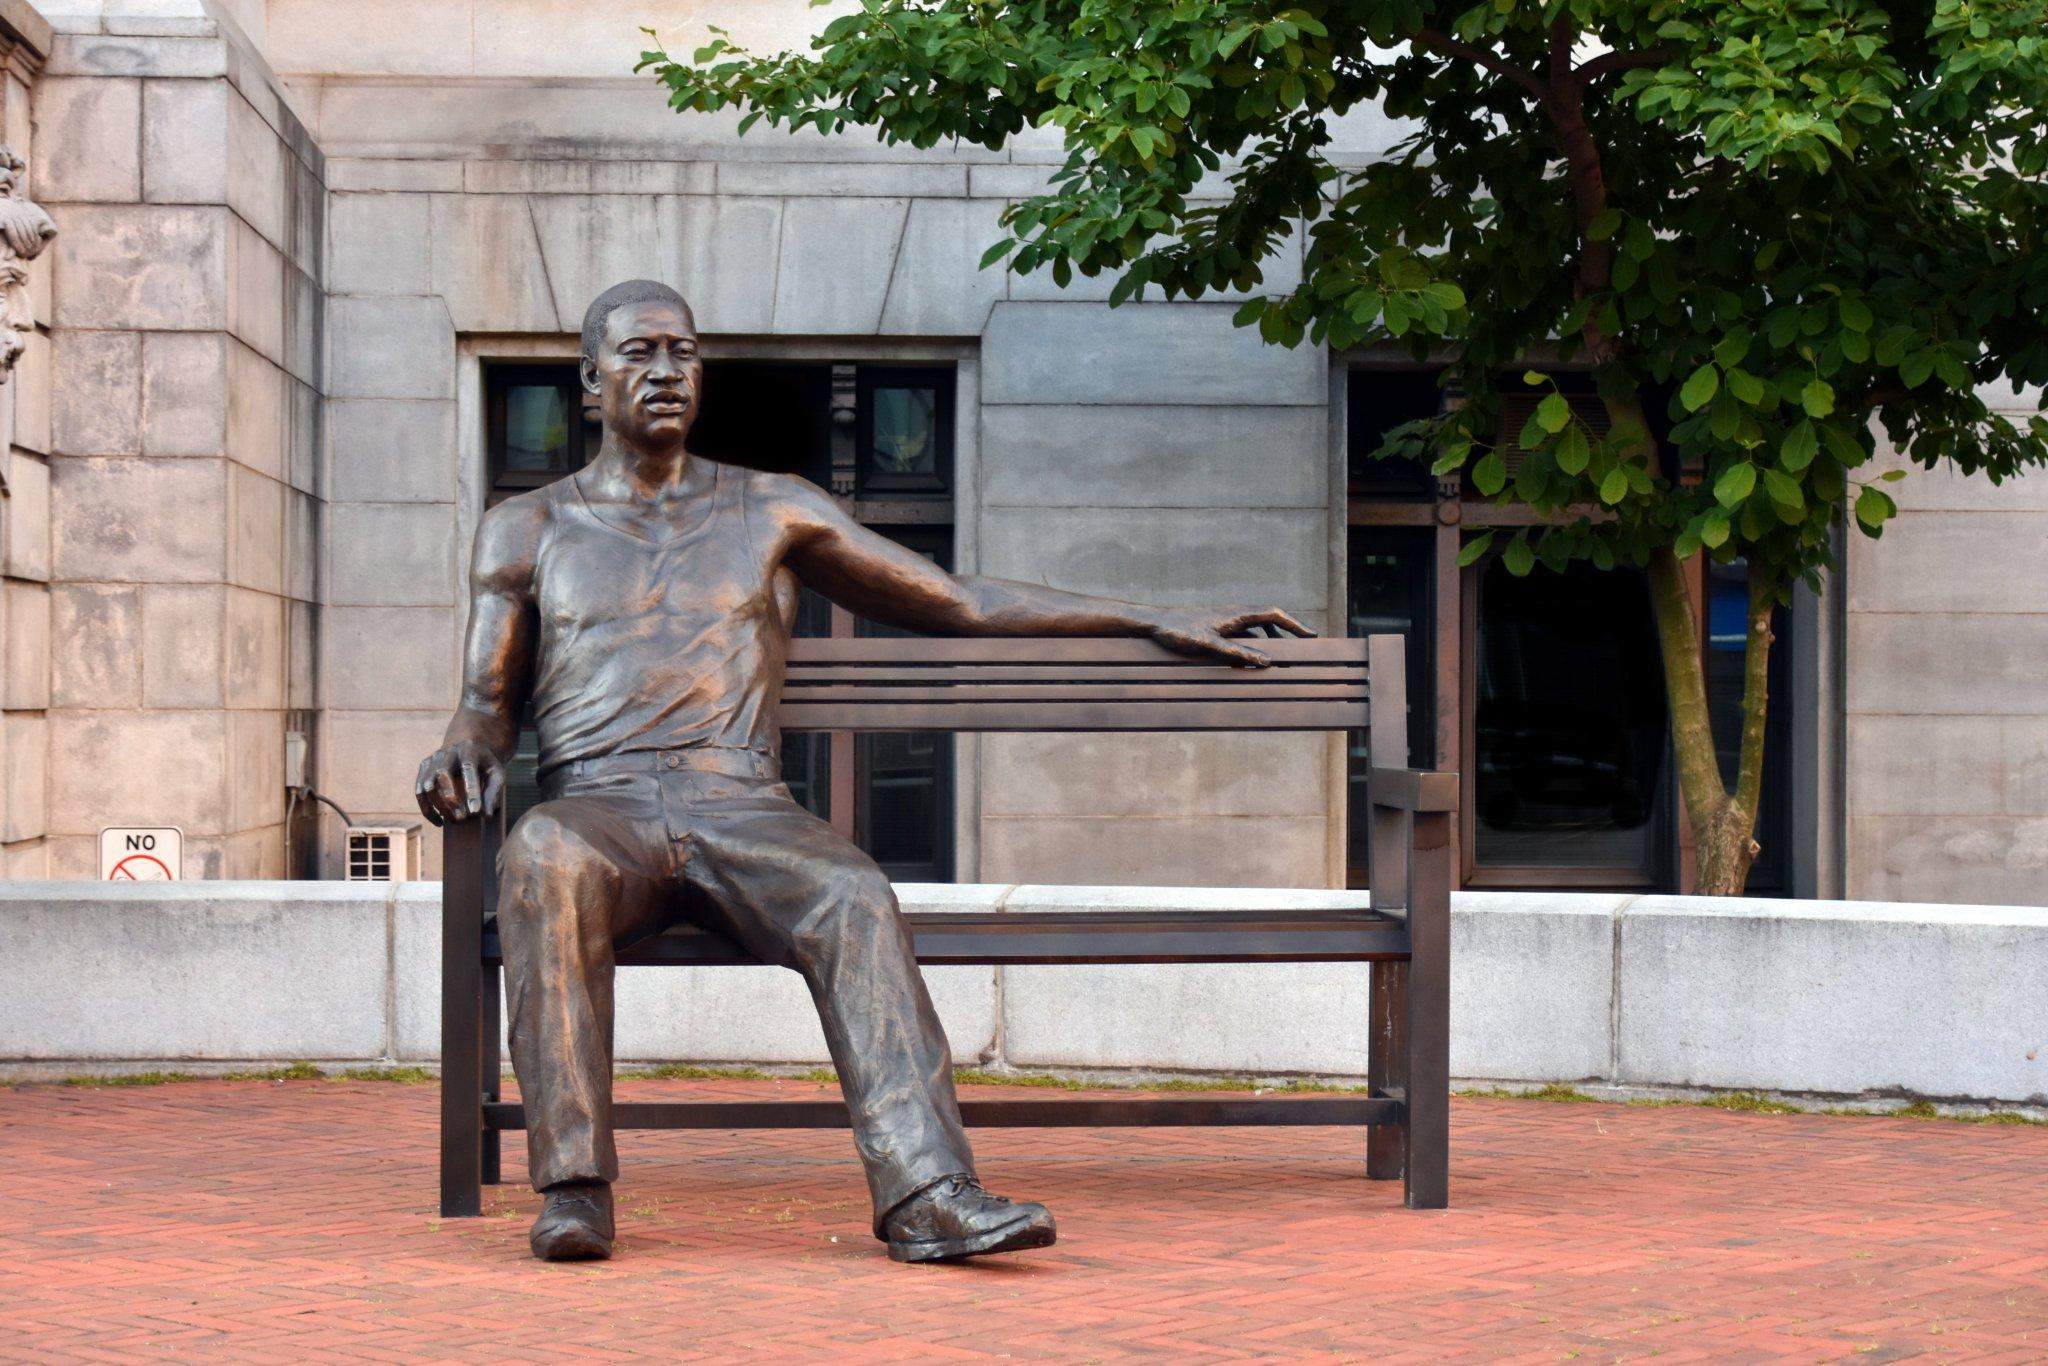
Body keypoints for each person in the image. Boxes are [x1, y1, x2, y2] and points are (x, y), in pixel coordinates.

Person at [416, 279, 1313, 1263]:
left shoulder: (771, 508)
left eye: (682, 352)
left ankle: (927, 1192)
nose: (665, 372)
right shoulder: (526, 527)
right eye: (638, 353)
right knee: (541, 850)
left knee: (851, 889)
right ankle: (576, 1189)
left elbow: (959, 601)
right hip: (599, 808)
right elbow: (483, 705)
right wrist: (464, 746)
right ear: (591, 381)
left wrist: (1147, 615)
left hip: (741, 804)